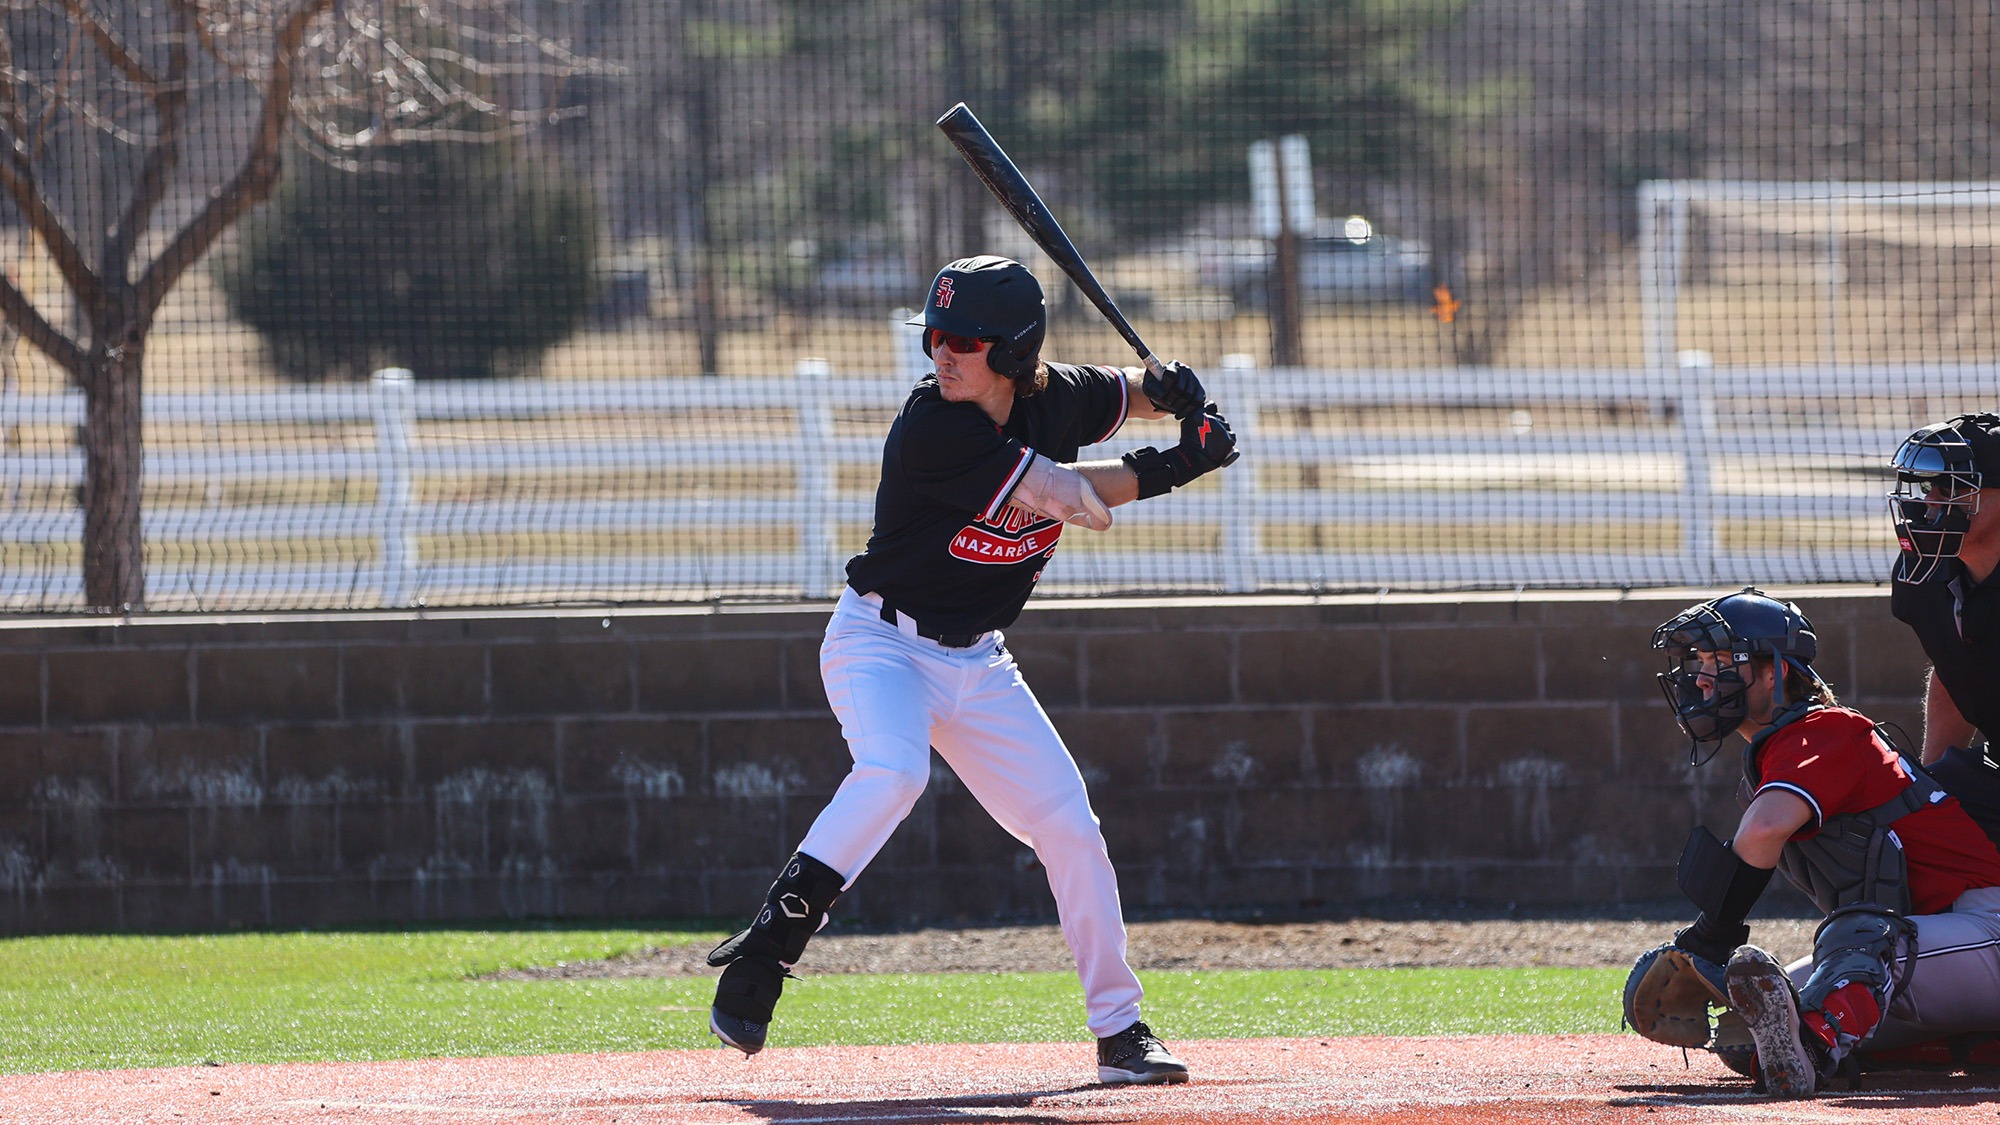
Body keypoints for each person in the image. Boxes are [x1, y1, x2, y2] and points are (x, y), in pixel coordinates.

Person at [703, 255, 1239, 1085]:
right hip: (880, 644)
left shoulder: (1055, 394)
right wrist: (1179, 463)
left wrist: (1162, 388)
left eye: (964, 340)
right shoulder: (934, 427)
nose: (942, 353)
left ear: (1018, 353)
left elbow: (1121, 393)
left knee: (1069, 824)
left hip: (980, 661)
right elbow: (1069, 496)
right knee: (893, 771)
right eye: (935, 334)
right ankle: (768, 949)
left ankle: (1120, 1028)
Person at [1627, 588, 2000, 1098]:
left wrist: (1708, 938)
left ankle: (1812, 1050)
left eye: (1723, 660)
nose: (1704, 676)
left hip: (1986, 924)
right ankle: (1957, 1044)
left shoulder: (1824, 729)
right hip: (1939, 946)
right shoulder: (1778, 751)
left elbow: (1762, 831)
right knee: (1750, 1027)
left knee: (1861, 941)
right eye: (1701, 660)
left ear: (1776, 671)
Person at [1887, 413, 2000, 840]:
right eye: (1928, 485)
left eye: (1952, 487)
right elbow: (1956, 668)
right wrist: (1929, 782)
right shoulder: (1923, 573)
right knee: (1887, 821)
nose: (1931, 500)